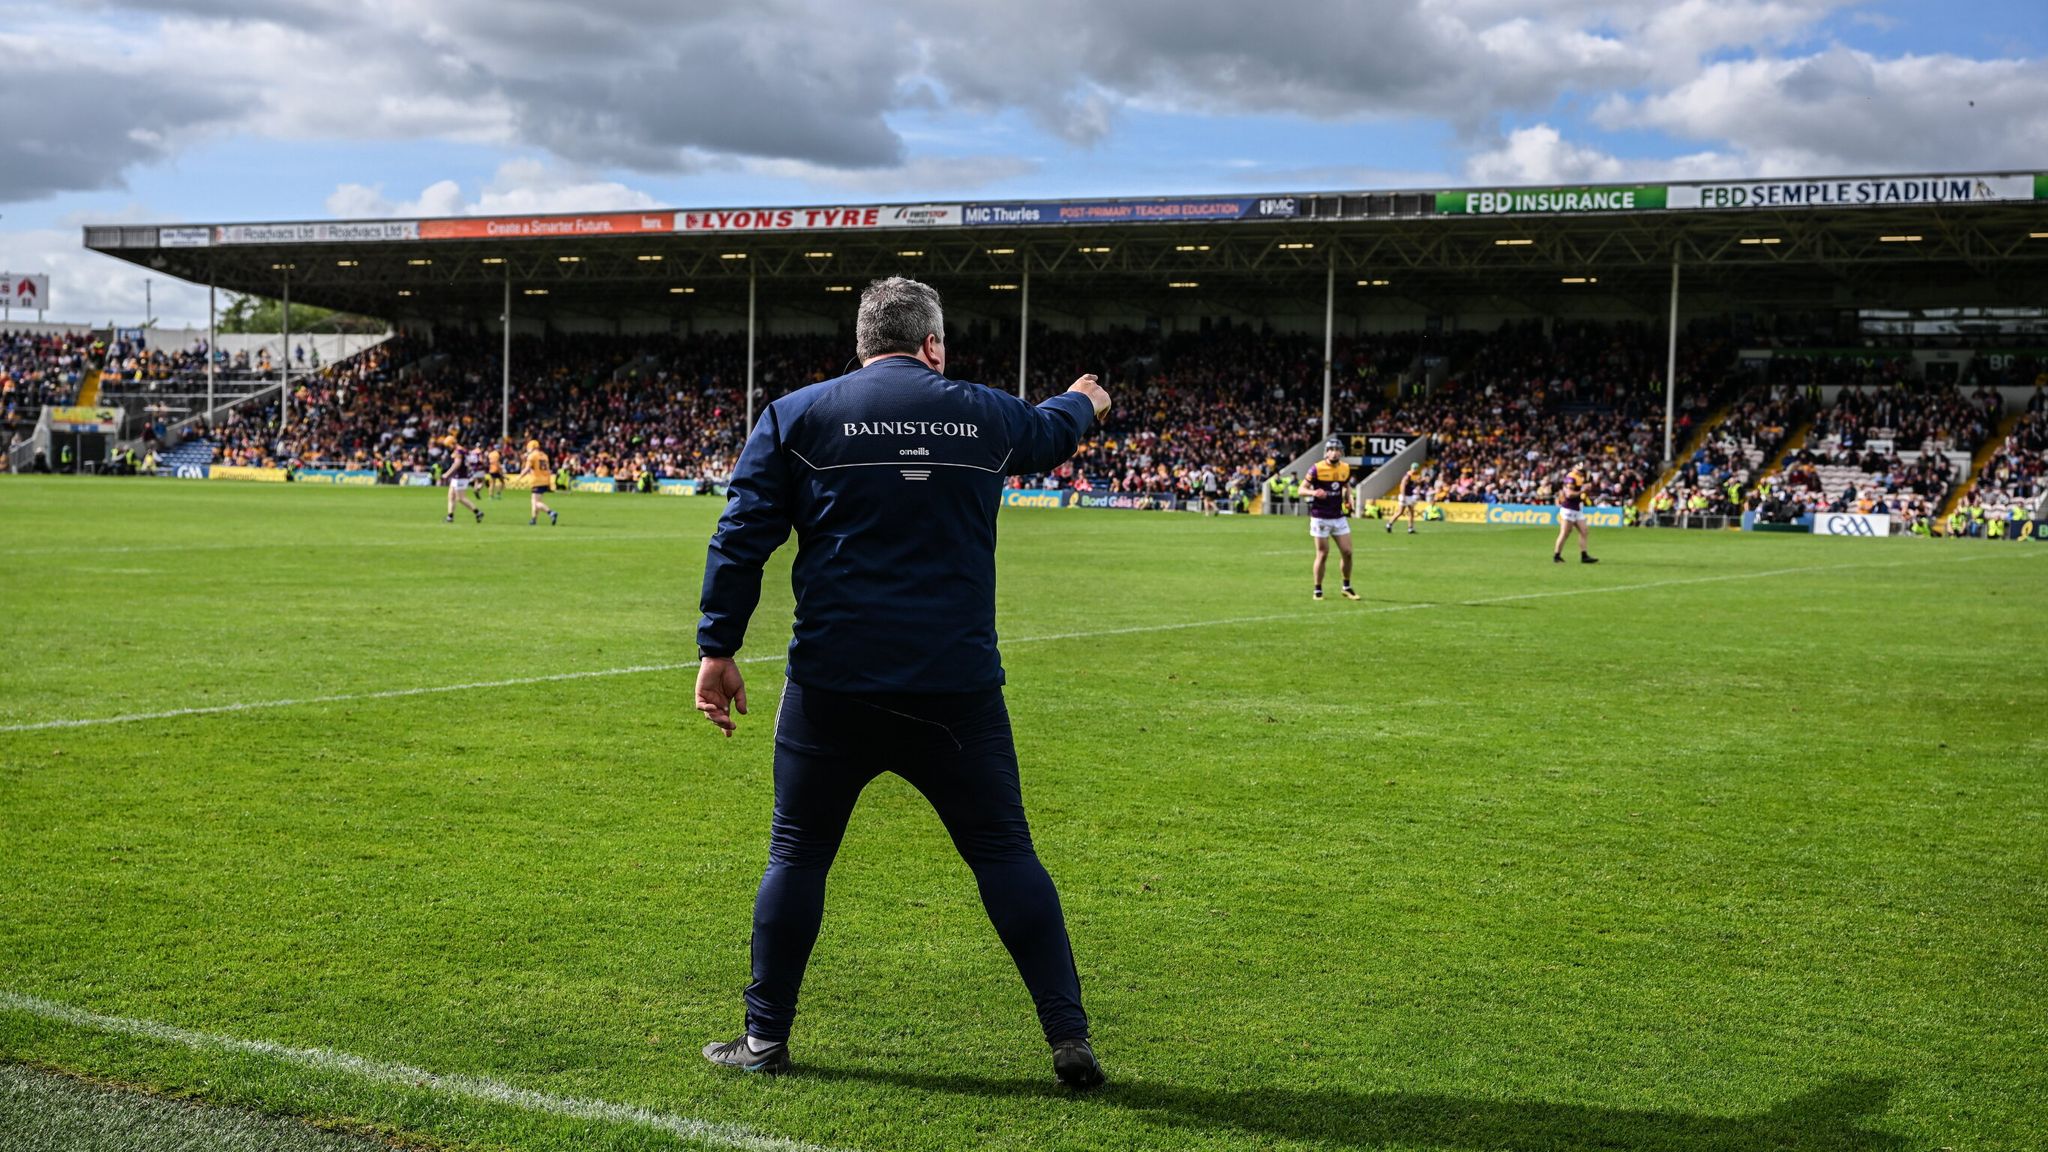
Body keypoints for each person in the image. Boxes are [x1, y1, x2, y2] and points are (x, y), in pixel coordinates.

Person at [693, 276, 1111, 1089]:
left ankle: (764, 1039)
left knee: (798, 854)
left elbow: (741, 536)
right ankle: (1070, 1039)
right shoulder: (983, 411)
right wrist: (1083, 399)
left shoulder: (799, 413)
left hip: (833, 686)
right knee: (1004, 854)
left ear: (862, 341)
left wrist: (718, 646)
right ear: (934, 344)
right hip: (956, 688)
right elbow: (1049, 433)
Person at [1304, 438, 1358, 600]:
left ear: (1341, 452)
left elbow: (1346, 486)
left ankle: (1346, 587)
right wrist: (1314, 493)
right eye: (1331, 449)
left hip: (1338, 517)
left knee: (1348, 552)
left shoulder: (1345, 468)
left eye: (1337, 449)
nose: (1334, 452)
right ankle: (1317, 590)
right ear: (1326, 451)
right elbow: (1302, 488)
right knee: (1323, 553)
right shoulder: (1316, 469)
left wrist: (1350, 499)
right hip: (1320, 517)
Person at [1553, 469, 1598, 564]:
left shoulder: (1579, 479)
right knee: (1565, 533)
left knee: (1584, 531)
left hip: (1577, 508)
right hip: (1569, 509)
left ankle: (1584, 555)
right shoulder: (1571, 479)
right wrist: (1582, 490)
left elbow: (1583, 494)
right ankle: (1557, 556)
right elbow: (1569, 494)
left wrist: (1586, 489)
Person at [443, 439, 483, 524]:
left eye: (448, 446)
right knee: (451, 496)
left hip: (460, 477)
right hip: (457, 476)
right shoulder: (462, 450)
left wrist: (447, 474)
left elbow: (457, 464)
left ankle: (478, 512)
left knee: (460, 498)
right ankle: (450, 516)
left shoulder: (458, 451)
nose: (448, 448)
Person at [523, 438, 558, 526]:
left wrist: (520, 476)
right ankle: (533, 519)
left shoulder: (532, 456)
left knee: (535, 502)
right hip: (545, 480)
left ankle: (551, 512)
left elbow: (527, 469)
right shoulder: (544, 455)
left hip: (537, 480)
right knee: (536, 501)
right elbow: (547, 470)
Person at [1385, 462, 1423, 535]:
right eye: (1414, 468)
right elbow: (1402, 485)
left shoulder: (1415, 475)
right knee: (1400, 512)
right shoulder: (1407, 476)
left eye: (1416, 468)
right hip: (1405, 496)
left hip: (1410, 496)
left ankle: (1410, 528)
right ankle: (1389, 524)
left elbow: (1416, 485)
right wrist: (1403, 496)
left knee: (1411, 512)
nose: (1415, 470)